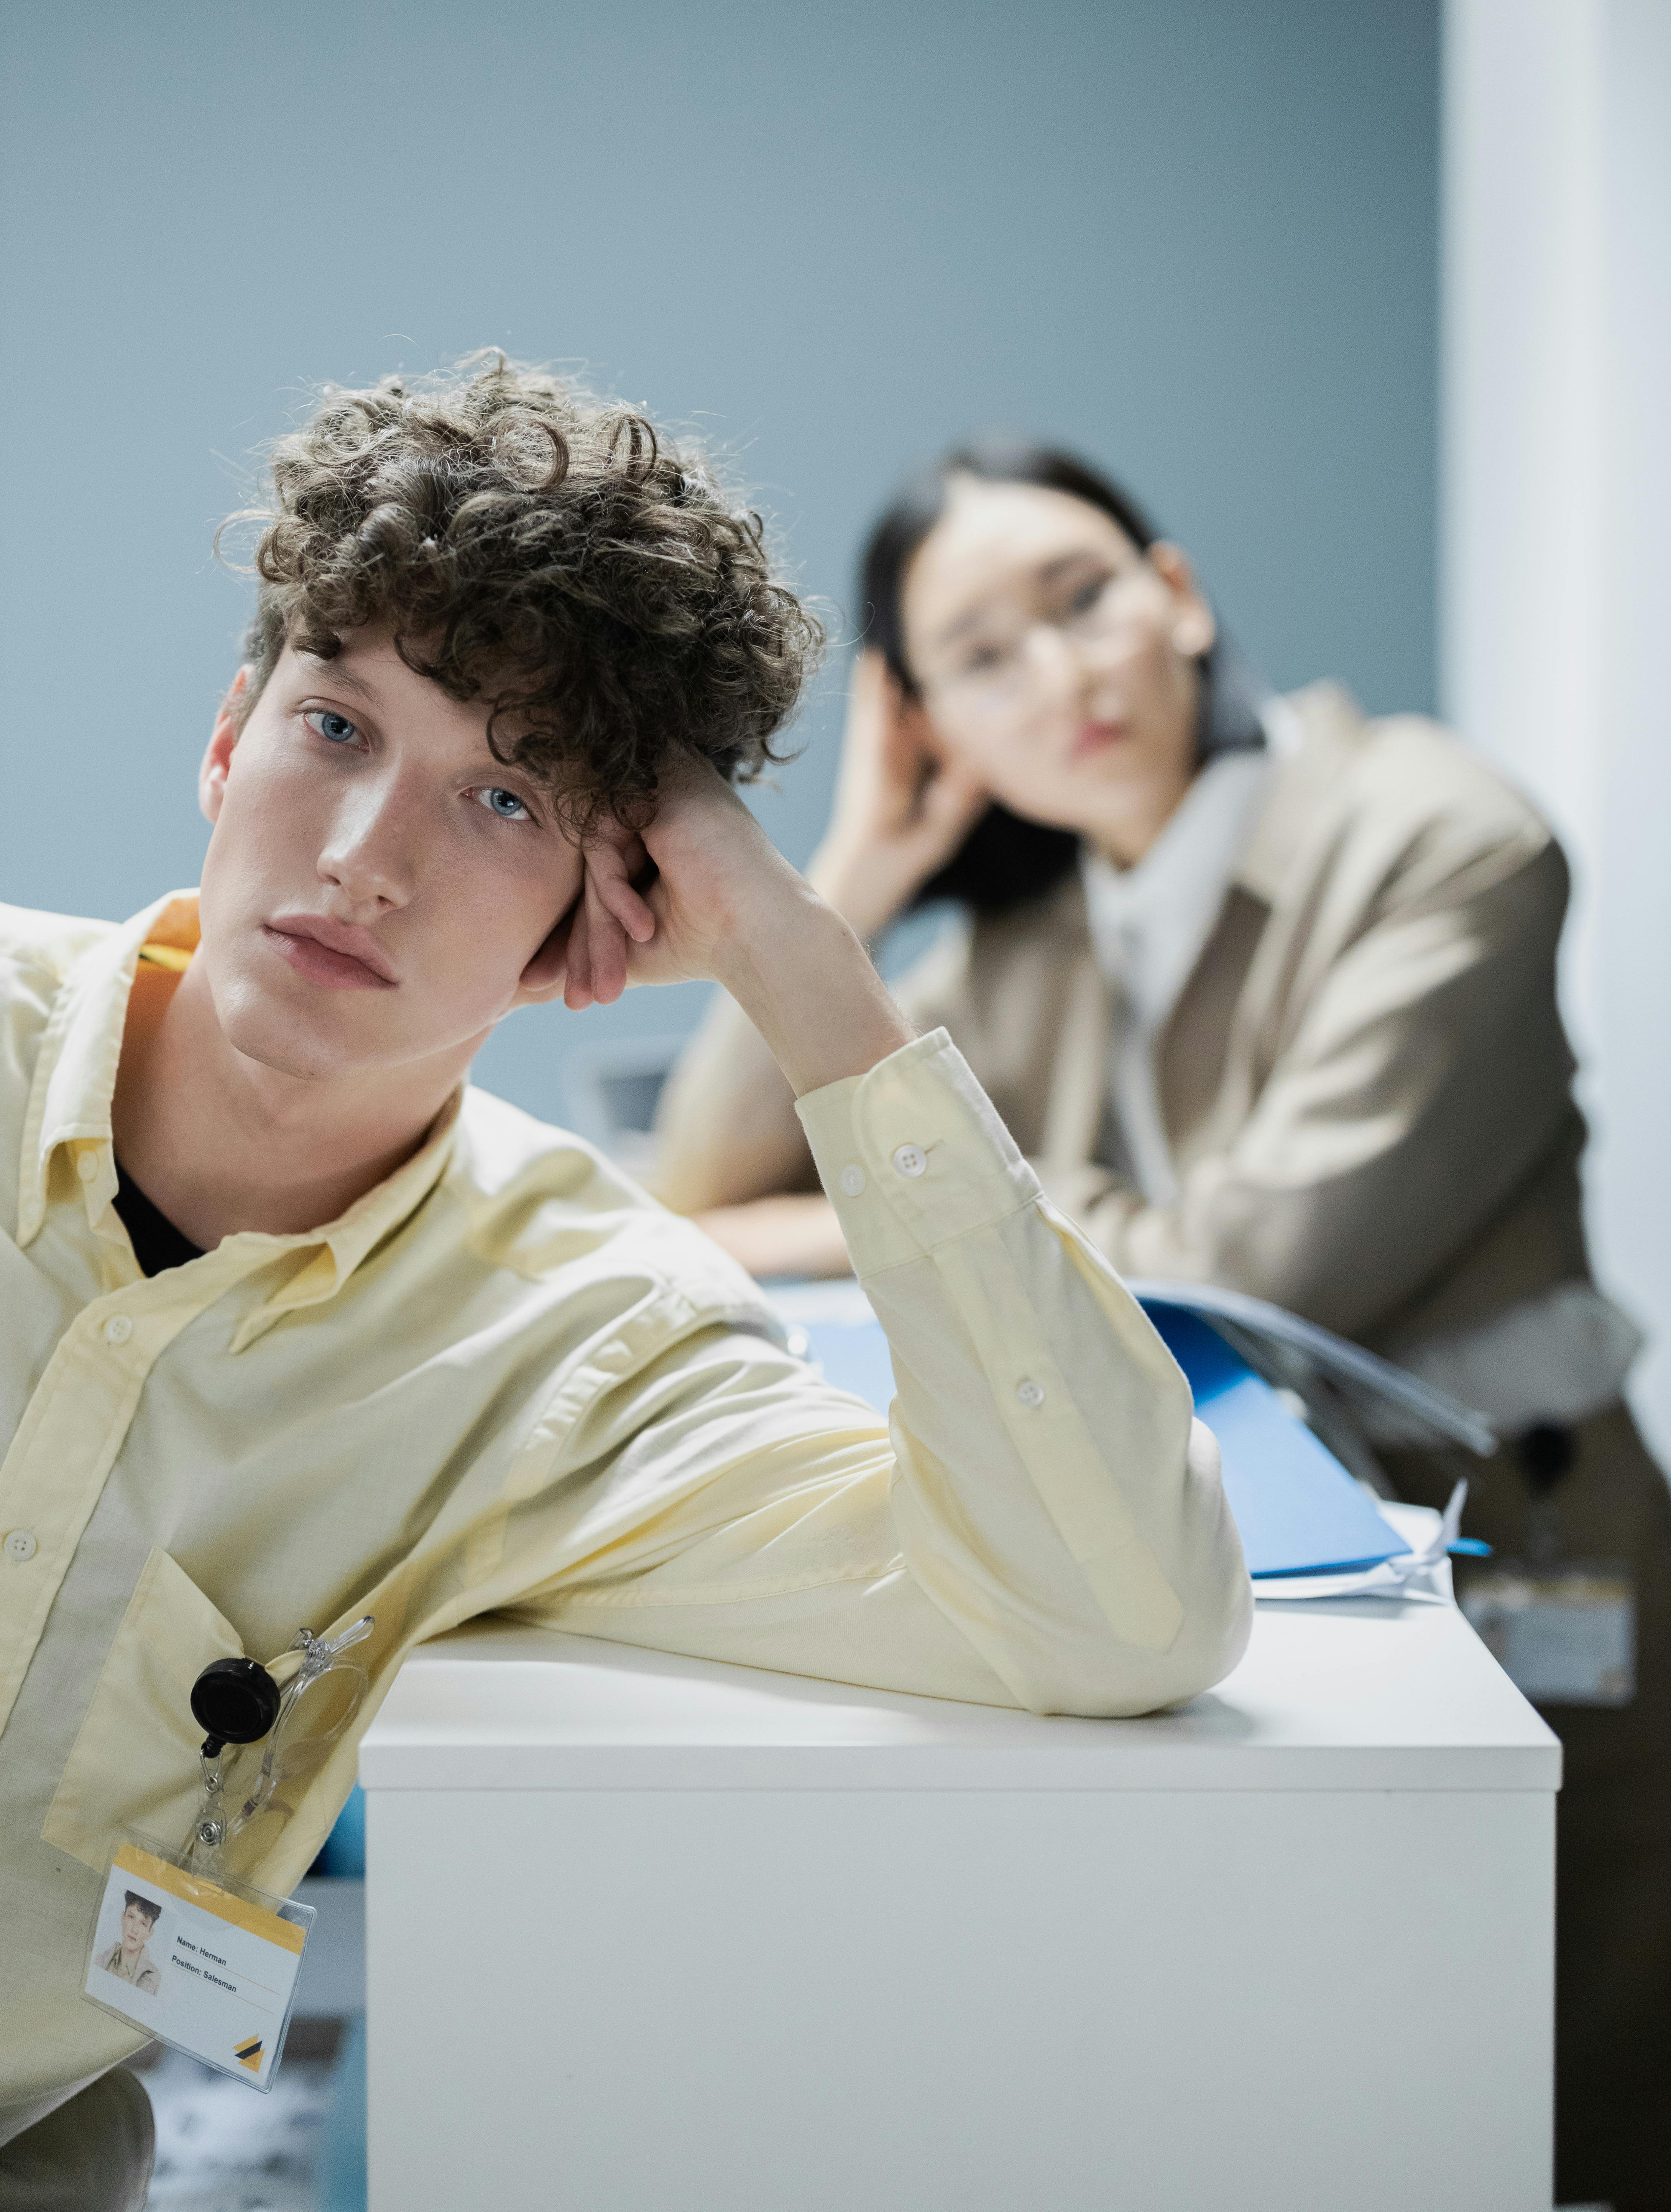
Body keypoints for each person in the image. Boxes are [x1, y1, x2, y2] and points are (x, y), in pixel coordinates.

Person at [0, 368, 1248, 2206]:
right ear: (227, 731)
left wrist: (804, 960)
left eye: (501, 795)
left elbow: (1116, 1607)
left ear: (613, 904)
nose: (362, 859)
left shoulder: (578, 1335)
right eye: (334, 725)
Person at [651, 436, 1669, 2211]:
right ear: (931, 722)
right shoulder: (1033, 931)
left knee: (1560, 2094)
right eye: (981, 653)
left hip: (1523, 1548)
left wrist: (886, 1205)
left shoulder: (1442, 839)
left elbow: (1259, 1256)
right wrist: (859, 868)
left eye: (1085, 596)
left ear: (1178, 597)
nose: (1062, 671)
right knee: (1317, 2090)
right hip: (1274, 1569)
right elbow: (706, 1172)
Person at [96, 1896, 161, 1998]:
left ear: (150, 1933)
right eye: (131, 1917)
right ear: (123, 1918)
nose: (134, 1930)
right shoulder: (98, 1960)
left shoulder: (155, 1982)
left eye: (143, 1924)